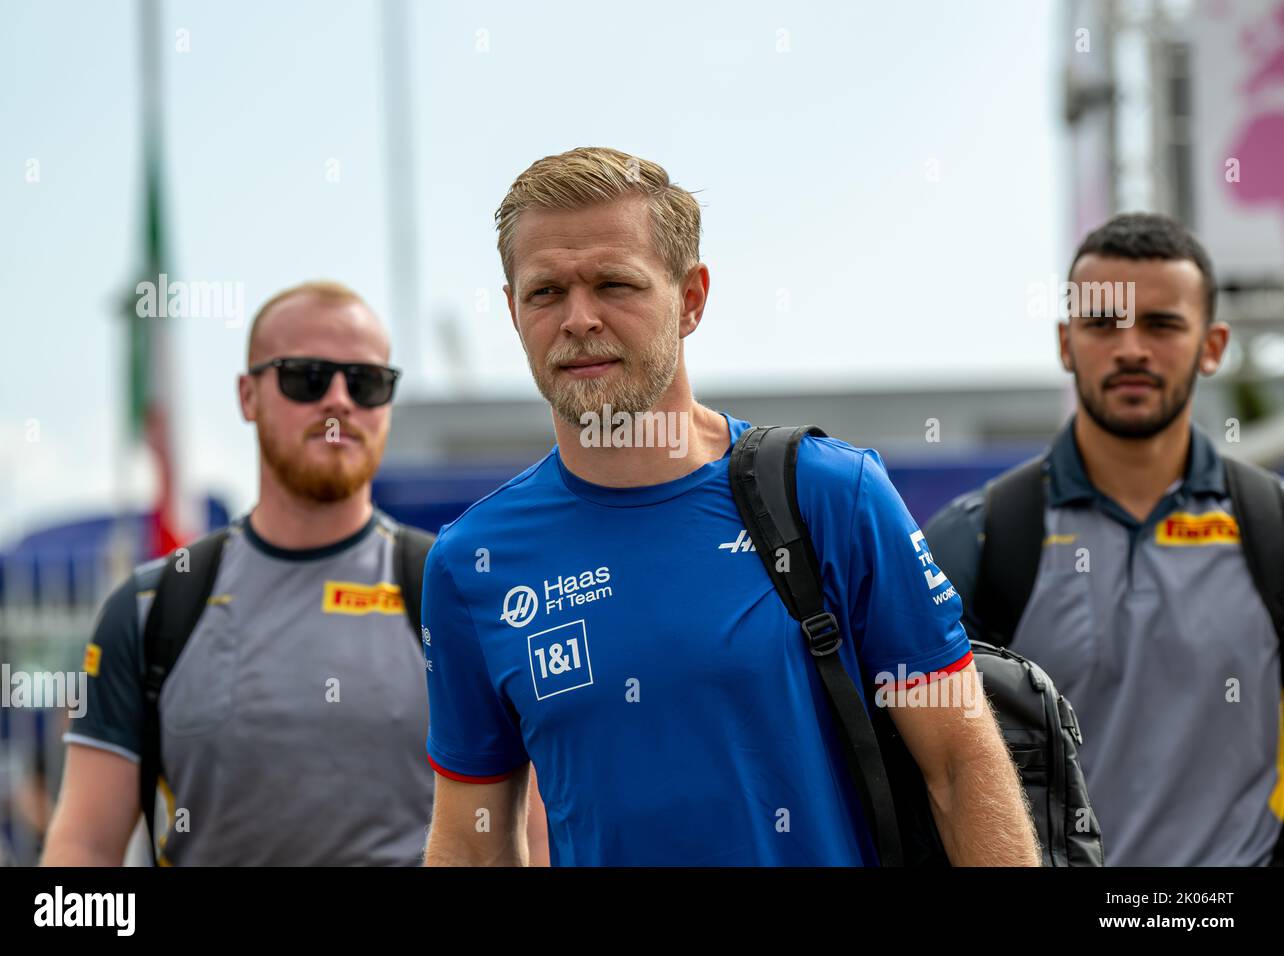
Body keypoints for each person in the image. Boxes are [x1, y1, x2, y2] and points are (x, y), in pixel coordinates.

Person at [421, 147, 1040, 867]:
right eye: (545, 292)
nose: (578, 319)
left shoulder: (831, 495)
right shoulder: (472, 564)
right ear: (512, 309)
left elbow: (961, 767)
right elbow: (471, 842)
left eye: (615, 284)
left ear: (691, 299)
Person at [925, 213, 1284, 866]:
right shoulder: (976, 539)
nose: (1131, 350)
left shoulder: (1274, 528)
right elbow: (930, 768)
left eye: (1162, 324)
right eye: (1103, 325)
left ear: (1213, 344)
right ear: (1066, 343)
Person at [42, 281, 438, 865]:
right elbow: (83, 849)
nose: (338, 402)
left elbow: (525, 837)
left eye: (366, 382)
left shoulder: (454, 593)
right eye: (305, 376)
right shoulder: (153, 608)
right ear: (247, 396)